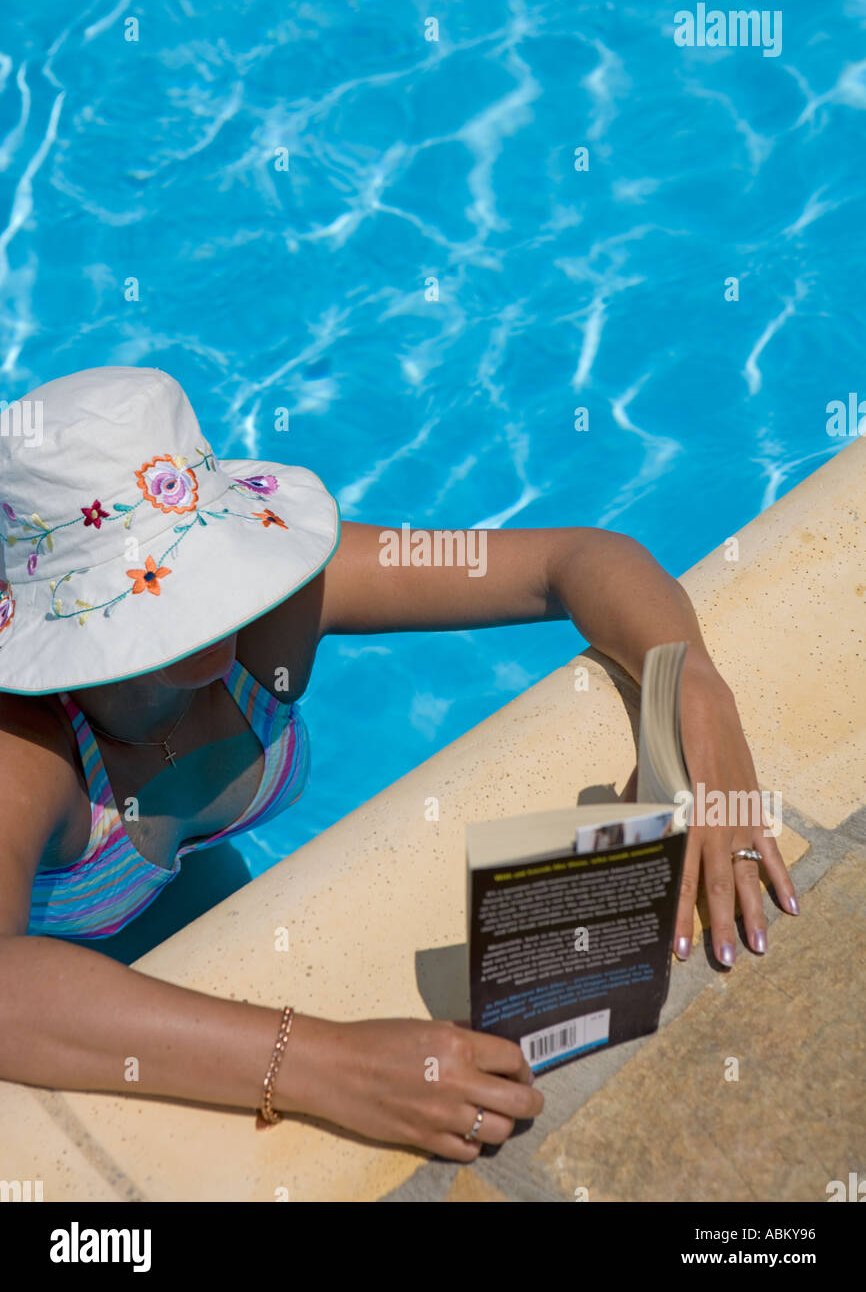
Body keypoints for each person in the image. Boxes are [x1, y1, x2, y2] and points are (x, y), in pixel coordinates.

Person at [0, 366, 798, 1162]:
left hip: (188, 892)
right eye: (161, 591)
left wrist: (689, 685)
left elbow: (574, 558)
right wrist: (325, 1065)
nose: (214, 609)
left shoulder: (278, 605)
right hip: (62, 959)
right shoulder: (26, 753)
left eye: (206, 569)